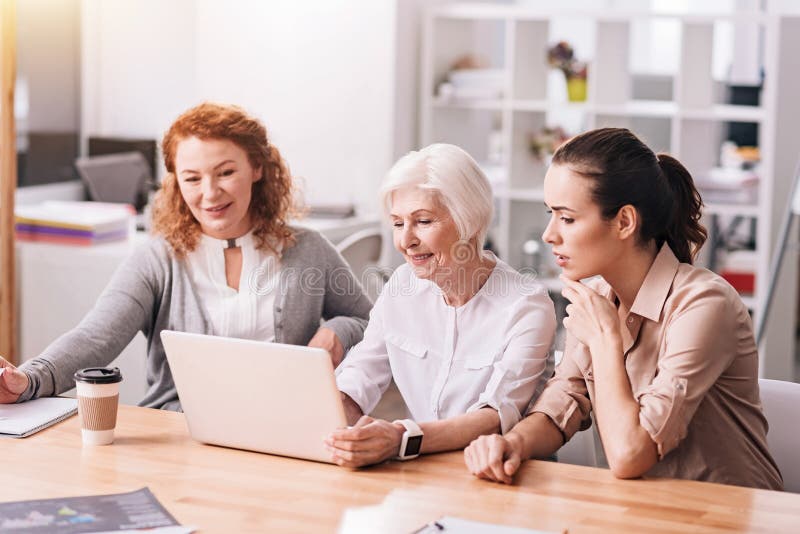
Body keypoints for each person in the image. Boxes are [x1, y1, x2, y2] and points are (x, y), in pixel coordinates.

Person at [464, 128, 783, 490]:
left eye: (567, 218)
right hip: (641, 510)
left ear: (625, 222)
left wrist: (604, 341)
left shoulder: (704, 304)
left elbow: (632, 454)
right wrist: (512, 444)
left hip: (732, 517)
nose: (549, 234)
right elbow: (564, 401)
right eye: (550, 214)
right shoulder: (599, 295)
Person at [0, 102, 372, 411]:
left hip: (287, 422)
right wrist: (31, 379)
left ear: (257, 168)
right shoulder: (158, 260)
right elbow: (97, 337)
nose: (210, 193)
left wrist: (336, 330)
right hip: (183, 429)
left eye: (225, 172)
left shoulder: (308, 249)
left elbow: (367, 320)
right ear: (175, 181)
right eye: (192, 178)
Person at [326, 143, 556, 468]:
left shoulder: (525, 306)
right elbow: (363, 369)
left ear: (470, 222)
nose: (406, 241)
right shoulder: (402, 286)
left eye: (423, 221)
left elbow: (495, 416)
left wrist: (399, 439)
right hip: (424, 472)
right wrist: (338, 414)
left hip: (502, 475)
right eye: (397, 223)